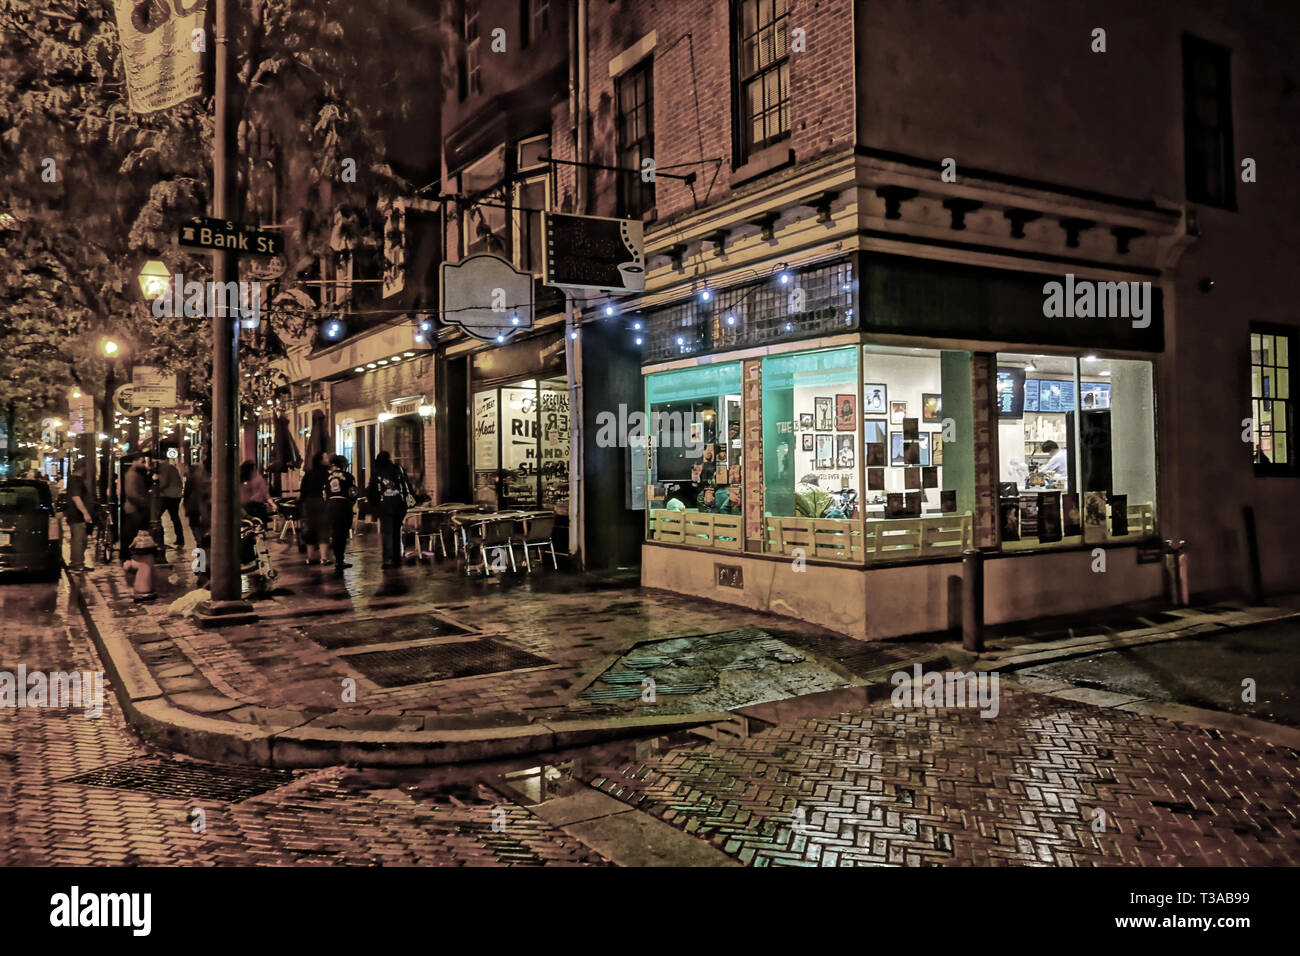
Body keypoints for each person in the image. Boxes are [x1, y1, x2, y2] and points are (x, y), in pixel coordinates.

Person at [367, 450, 411, 569]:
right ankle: (396, 559)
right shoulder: (398, 469)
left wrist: (375, 506)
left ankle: (388, 559)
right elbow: (407, 485)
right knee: (396, 532)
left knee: (387, 533)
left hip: (384, 507)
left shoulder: (377, 472)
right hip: (399, 505)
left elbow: (372, 491)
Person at [325, 455, 357, 576]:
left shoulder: (328, 477)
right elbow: (353, 492)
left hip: (331, 505)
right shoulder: (348, 476)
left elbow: (325, 493)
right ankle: (340, 559)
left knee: (335, 532)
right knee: (343, 533)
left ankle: (337, 558)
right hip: (343, 505)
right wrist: (351, 502)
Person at [298, 452, 331, 566]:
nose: (328, 459)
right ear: (321, 461)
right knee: (323, 529)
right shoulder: (326, 474)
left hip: (308, 503)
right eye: (326, 458)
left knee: (310, 529)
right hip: (321, 502)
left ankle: (310, 558)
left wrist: (303, 505)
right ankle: (323, 558)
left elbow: (302, 492)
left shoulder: (308, 474)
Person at [64, 459, 95, 572]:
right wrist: (85, 513)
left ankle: (76, 562)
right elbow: (76, 497)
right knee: (79, 540)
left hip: (74, 515)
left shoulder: (73, 479)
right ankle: (77, 564)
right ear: (83, 468)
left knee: (79, 539)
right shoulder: (76, 480)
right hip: (77, 515)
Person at [120, 455, 151, 561]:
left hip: (136, 508)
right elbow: (131, 493)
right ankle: (129, 556)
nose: (144, 464)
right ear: (134, 462)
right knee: (131, 533)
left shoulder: (135, 474)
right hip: (134, 509)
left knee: (132, 532)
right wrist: (143, 502)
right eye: (142, 462)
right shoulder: (132, 475)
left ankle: (130, 556)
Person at [156, 454, 185, 551]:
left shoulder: (164, 469)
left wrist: (156, 488)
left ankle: (158, 539)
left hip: (169, 496)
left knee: (156, 516)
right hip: (176, 495)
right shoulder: (171, 467)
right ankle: (180, 539)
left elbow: (164, 483)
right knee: (175, 517)